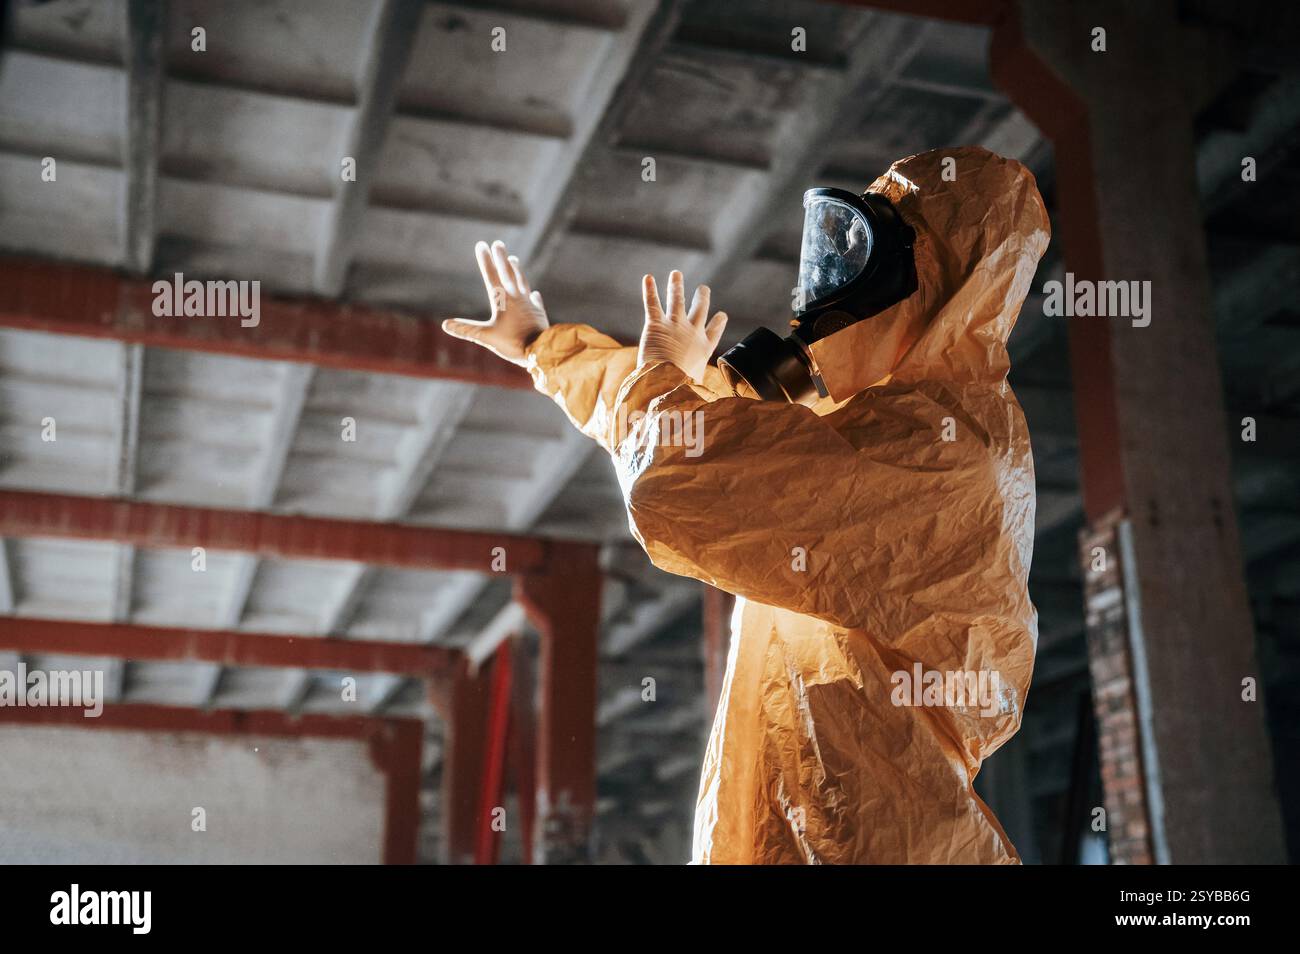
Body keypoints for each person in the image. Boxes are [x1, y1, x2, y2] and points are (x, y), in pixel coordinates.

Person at [443, 146, 1050, 864]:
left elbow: (673, 477)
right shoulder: (882, 431)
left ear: (931, 278)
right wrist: (548, 349)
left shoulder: (938, 450)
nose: (828, 289)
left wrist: (667, 372)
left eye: (858, 257)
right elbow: (698, 436)